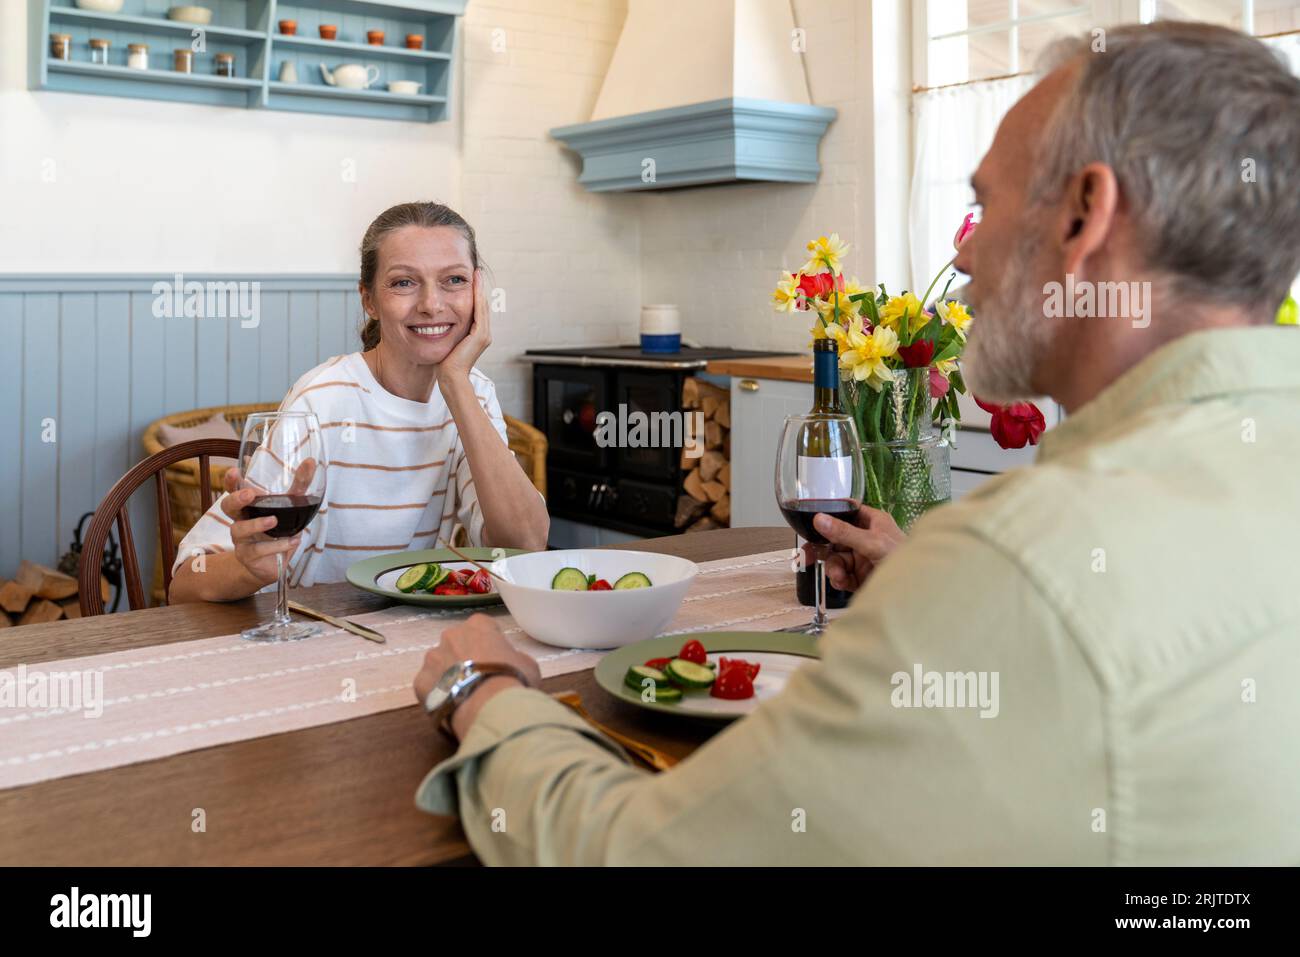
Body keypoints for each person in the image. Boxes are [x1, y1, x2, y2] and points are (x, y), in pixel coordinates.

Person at [411, 23, 1300, 864]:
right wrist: (930, 583)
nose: (965, 260)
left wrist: (486, 694)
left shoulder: (1023, 559)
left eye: (982, 205)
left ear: (1084, 216)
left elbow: (637, 850)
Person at [169, 202, 549, 603]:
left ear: (477, 292)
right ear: (369, 299)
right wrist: (247, 569)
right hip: (318, 630)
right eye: (404, 283)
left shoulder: (474, 392)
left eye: (453, 280)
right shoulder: (322, 399)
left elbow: (524, 545)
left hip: (416, 630)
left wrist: (455, 382)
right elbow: (184, 585)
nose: (432, 304)